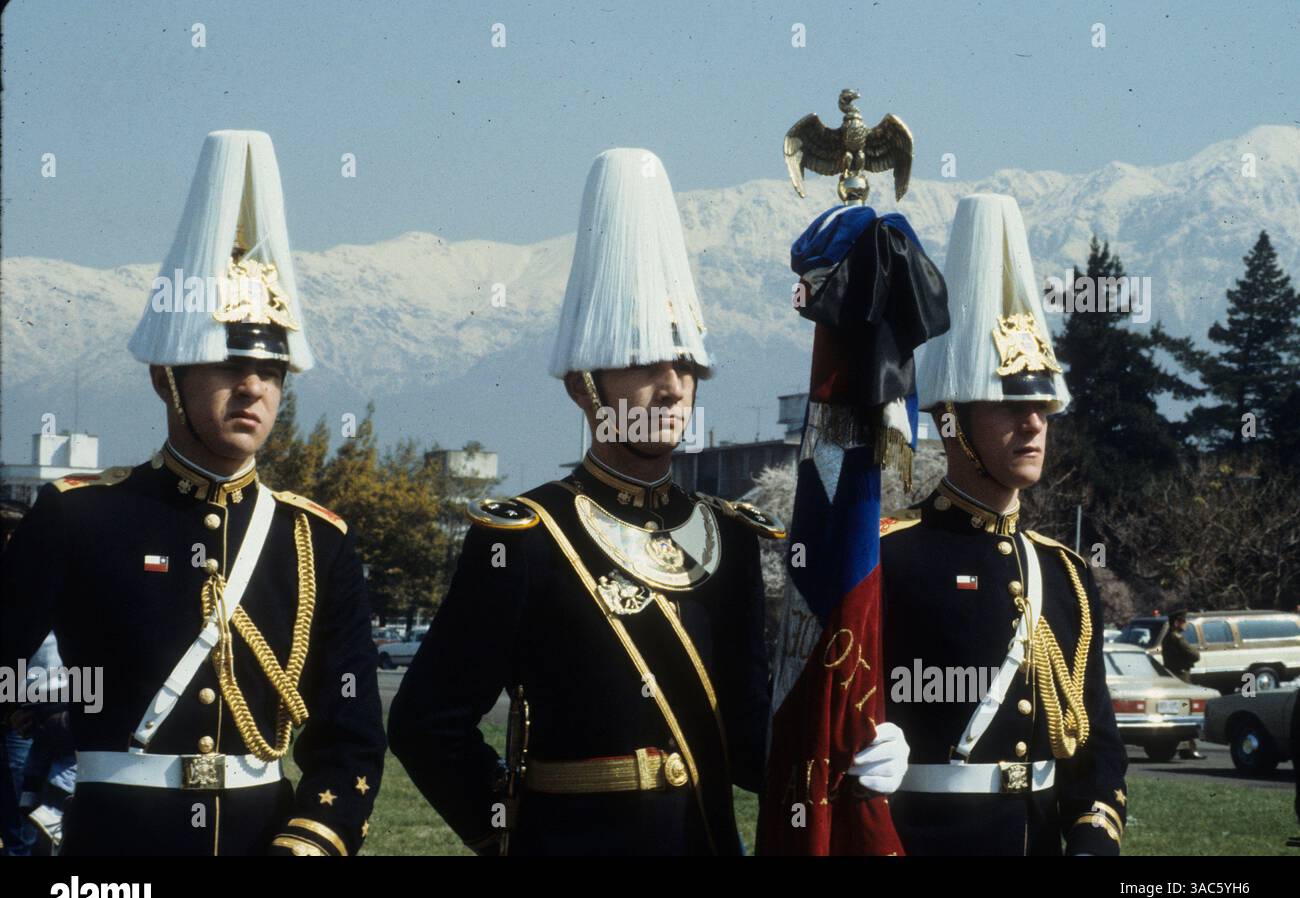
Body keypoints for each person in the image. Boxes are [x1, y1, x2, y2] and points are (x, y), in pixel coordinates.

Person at [0, 130, 385, 856]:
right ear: (166, 377)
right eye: (226, 363)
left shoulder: (316, 542)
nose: (253, 387)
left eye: (270, 372)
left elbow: (352, 737)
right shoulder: (80, 518)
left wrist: (309, 843)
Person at [388, 148, 781, 855]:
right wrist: (511, 835)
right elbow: (426, 721)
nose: (671, 387)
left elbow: (749, 741)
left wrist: (837, 753)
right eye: (643, 363)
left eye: (685, 365)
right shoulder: (525, 538)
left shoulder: (735, 539)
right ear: (583, 384)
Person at [878, 193, 1129, 855]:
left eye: (1042, 400)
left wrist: (1094, 836)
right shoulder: (889, 561)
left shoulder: (1066, 575)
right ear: (952, 419)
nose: (1034, 422)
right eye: (1009, 403)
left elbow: (1097, 743)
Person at [1160, 610, 1205, 759]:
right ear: (1177, 622)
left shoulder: (1167, 638)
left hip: (1173, 676)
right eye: (1184, 621)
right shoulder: (1177, 638)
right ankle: (1188, 748)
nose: (1186, 624)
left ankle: (1187, 747)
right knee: (1186, 712)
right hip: (1181, 677)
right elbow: (1195, 655)